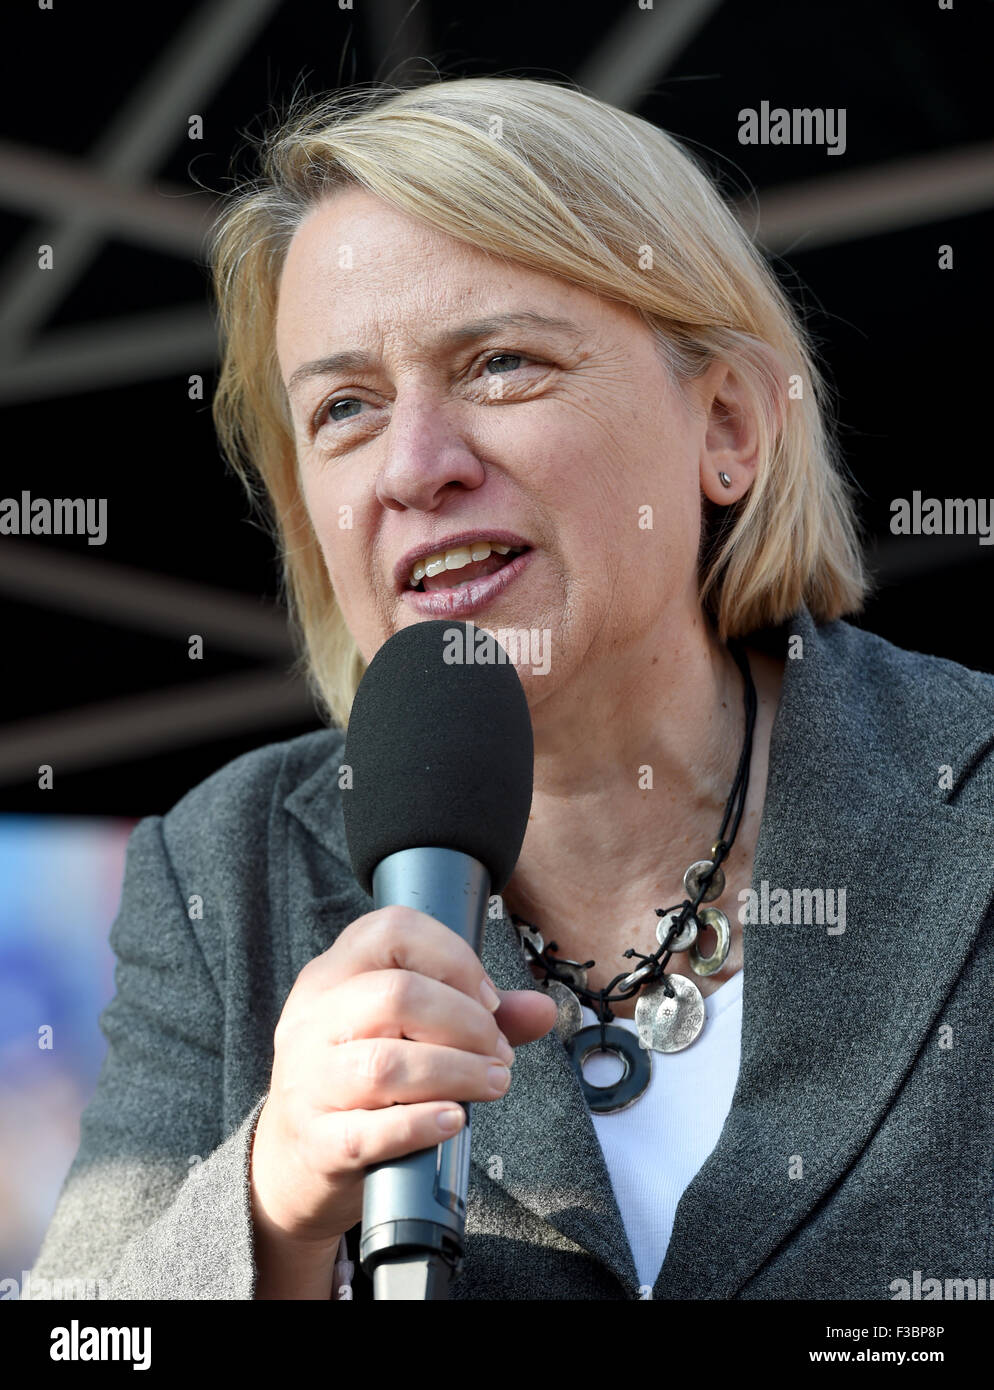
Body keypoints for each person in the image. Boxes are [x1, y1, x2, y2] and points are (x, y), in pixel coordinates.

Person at [28, 75, 994, 1302]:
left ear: (728, 427)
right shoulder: (224, 872)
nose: (415, 467)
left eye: (498, 363)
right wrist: (271, 1205)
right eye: (345, 408)